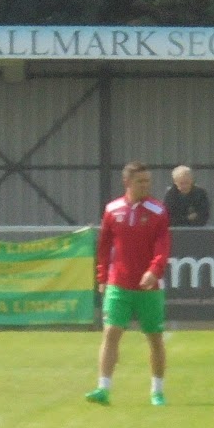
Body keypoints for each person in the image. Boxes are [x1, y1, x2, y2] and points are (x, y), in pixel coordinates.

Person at [86, 162, 172, 407]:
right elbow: (104, 247)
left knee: (154, 337)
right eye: (140, 181)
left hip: (149, 288)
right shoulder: (112, 210)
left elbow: (163, 246)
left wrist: (154, 271)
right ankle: (103, 388)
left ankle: (157, 391)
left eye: (148, 181)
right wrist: (102, 277)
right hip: (119, 284)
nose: (145, 185)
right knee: (111, 332)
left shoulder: (158, 211)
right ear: (127, 182)